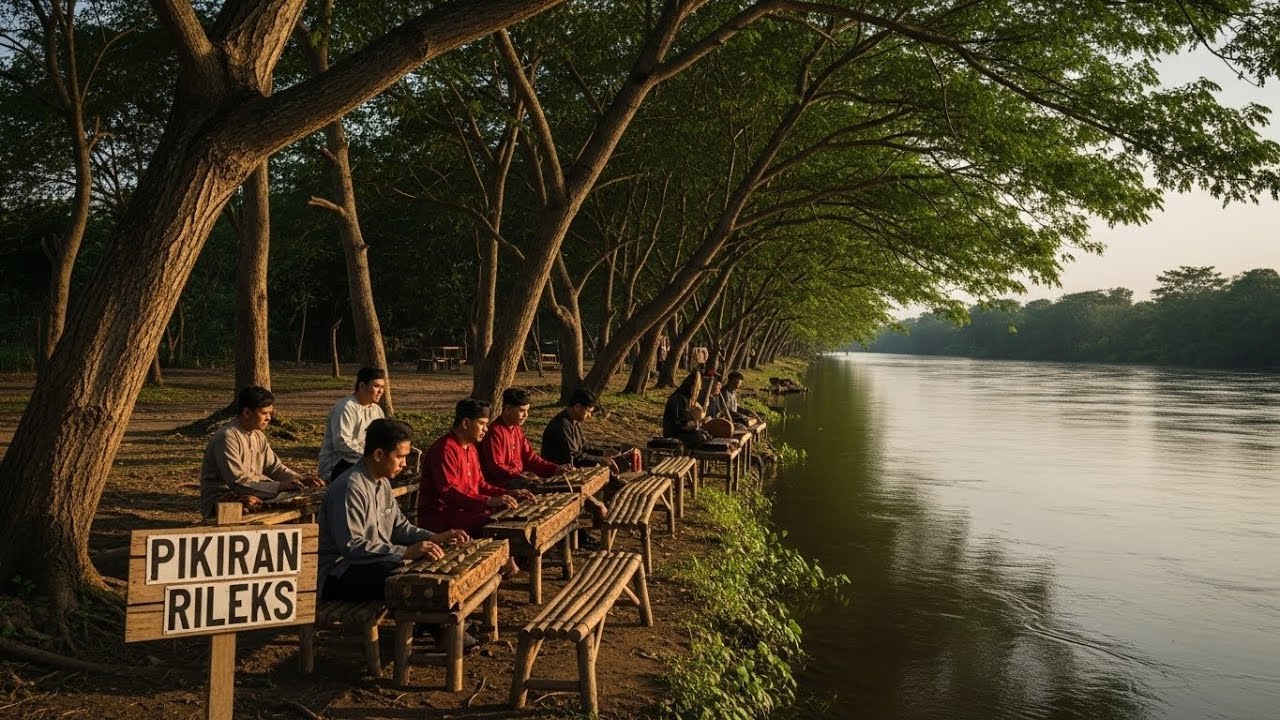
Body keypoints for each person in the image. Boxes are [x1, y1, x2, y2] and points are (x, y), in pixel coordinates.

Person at [317, 418, 470, 601]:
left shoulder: (383, 483)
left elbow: (400, 528)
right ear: (379, 455)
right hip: (340, 572)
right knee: (410, 581)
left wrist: (434, 538)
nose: (404, 463)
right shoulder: (350, 487)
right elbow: (352, 546)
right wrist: (405, 552)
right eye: (400, 456)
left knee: (428, 565)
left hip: (372, 564)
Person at [199, 386, 323, 518]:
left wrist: (301, 480)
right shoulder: (227, 437)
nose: (269, 418)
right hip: (223, 499)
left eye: (270, 413)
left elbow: (275, 468)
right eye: (264, 413)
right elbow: (237, 483)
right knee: (252, 502)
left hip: (255, 492)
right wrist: (280, 486)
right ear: (247, 413)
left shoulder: (258, 436)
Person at [419, 399, 535, 536]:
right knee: (505, 527)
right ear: (465, 423)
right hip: (443, 519)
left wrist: (509, 494)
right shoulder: (444, 449)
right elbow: (449, 492)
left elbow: (480, 484)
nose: (486, 429)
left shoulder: (471, 448)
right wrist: (489, 501)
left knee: (520, 515)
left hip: (469, 512)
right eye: (481, 423)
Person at [479, 387, 568, 489]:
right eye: (522, 410)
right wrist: (520, 476)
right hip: (503, 485)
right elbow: (496, 466)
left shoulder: (517, 429)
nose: (526, 415)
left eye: (527, 410)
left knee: (561, 483)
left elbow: (531, 458)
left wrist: (555, 468)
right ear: (507, 409)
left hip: (520, 478)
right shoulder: (495, 432)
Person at [317, 367, 387, 482]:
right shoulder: (345, 408)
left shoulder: (377, 411)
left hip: (365, 461)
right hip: (338, 465)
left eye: (382, 387)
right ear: (362, 386)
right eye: (376, 386)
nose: (380, 391)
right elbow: (341, 444)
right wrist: (369, 457)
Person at [541, 388, 621, 473]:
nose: (590, 415)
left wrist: (603, 452)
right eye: (588, 411)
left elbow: (584, 448)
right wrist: (600, 460)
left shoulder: (574, 420)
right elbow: (574, 458)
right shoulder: (561, 425)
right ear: (577, 407)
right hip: (555, 472)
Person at [663, 371, 712, 449]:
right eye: (698, 387)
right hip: (674, 435)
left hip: (682, 433)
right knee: (701, 437)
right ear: (692, 387)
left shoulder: (685, 398)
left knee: (707, 435)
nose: (699, 389)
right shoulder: (678, 398)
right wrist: (695, 423)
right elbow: (678, 424)